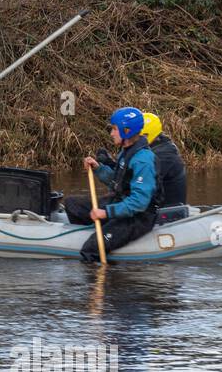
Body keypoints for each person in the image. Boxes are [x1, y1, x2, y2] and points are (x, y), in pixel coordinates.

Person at [65, 107, 160, 262]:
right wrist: (98, 168)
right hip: (120, 202)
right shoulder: (126, 151)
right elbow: (117, 182)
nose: (111, 133)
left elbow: (140, 202)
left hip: (138, 217)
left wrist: (106, 213)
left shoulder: (143, 160)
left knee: (91, 249)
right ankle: (97, 231)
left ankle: (105, 281)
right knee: (71, 204)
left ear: (127, 131)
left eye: (115, 129)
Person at [140, 112, 187, 207]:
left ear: (145, 135)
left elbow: (137, 185)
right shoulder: (154, 150)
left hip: (166, 213)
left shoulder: (163, 157)